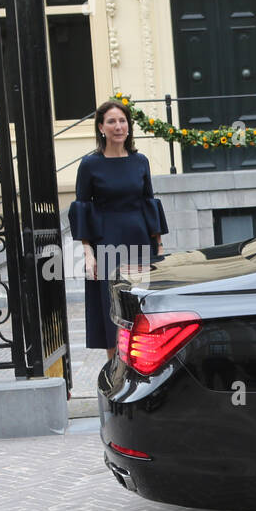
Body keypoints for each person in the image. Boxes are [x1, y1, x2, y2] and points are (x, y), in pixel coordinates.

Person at [69, 99, 167, 361]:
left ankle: (147, 366)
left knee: (142, 305)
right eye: (111, 121)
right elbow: (82, 207)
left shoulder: (140, 161)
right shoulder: (90, 164)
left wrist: (159, 247)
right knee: (112, 308)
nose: (118, 126)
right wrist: (88, 253)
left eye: (122, 121)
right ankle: (116, 372)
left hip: (141, 242)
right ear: (101, 127)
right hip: (107, 244)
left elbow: (149, 202)